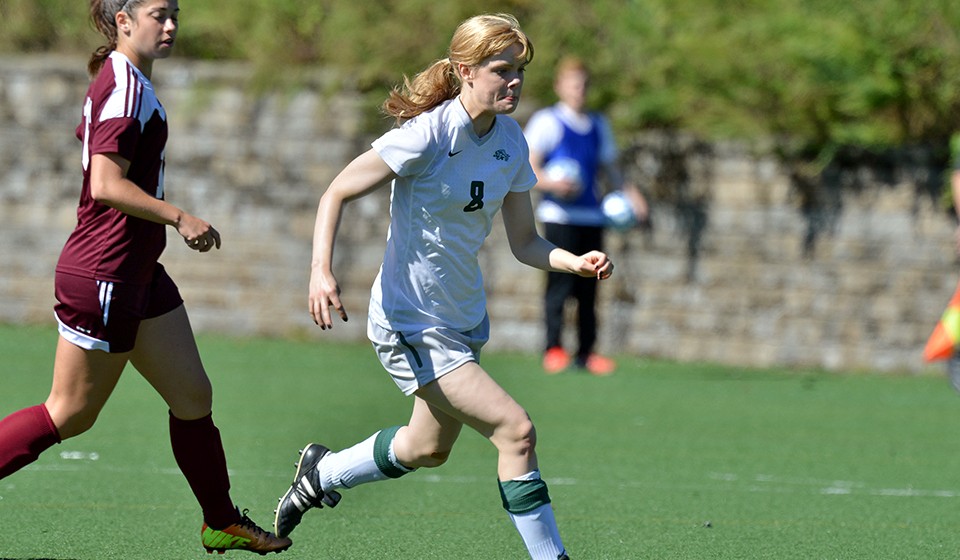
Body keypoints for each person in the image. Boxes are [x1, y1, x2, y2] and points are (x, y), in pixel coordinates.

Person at [272, 13, 614, 560]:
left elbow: (525, 242)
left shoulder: (510, 139)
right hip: (411, 320)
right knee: (515, 431)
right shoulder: (426, 135)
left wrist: (573, 261)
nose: (515, 82)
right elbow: (335, 191)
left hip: (459, 318)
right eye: (503, 70)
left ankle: (322, 472)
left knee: (426, 447)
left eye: (521, 70)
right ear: (465, 72)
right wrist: (320, 269)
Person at [0, 0, 291, 555]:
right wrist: (180, 215)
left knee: (192, 395)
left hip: (137, 271)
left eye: (176, 13)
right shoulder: (124, 85)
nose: (172, 24)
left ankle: (220, 520)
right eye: (159, 13)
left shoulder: (124, 78)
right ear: (124, 19)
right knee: (70, 413)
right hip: (106, 273)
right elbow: (107, 183)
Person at [524, 56, 649, 376]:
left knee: (590, 288)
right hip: (559, 216)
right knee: (559, 284)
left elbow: (612, 170)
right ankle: (553, 349)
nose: (580, 90)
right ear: (560, 86)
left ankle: (587, 352)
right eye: (573, 83)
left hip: (592, 216)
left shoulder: (598, 125)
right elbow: (527, 168)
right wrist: (552, 183)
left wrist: (633, 197)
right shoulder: (547, 121)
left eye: (584, 84)